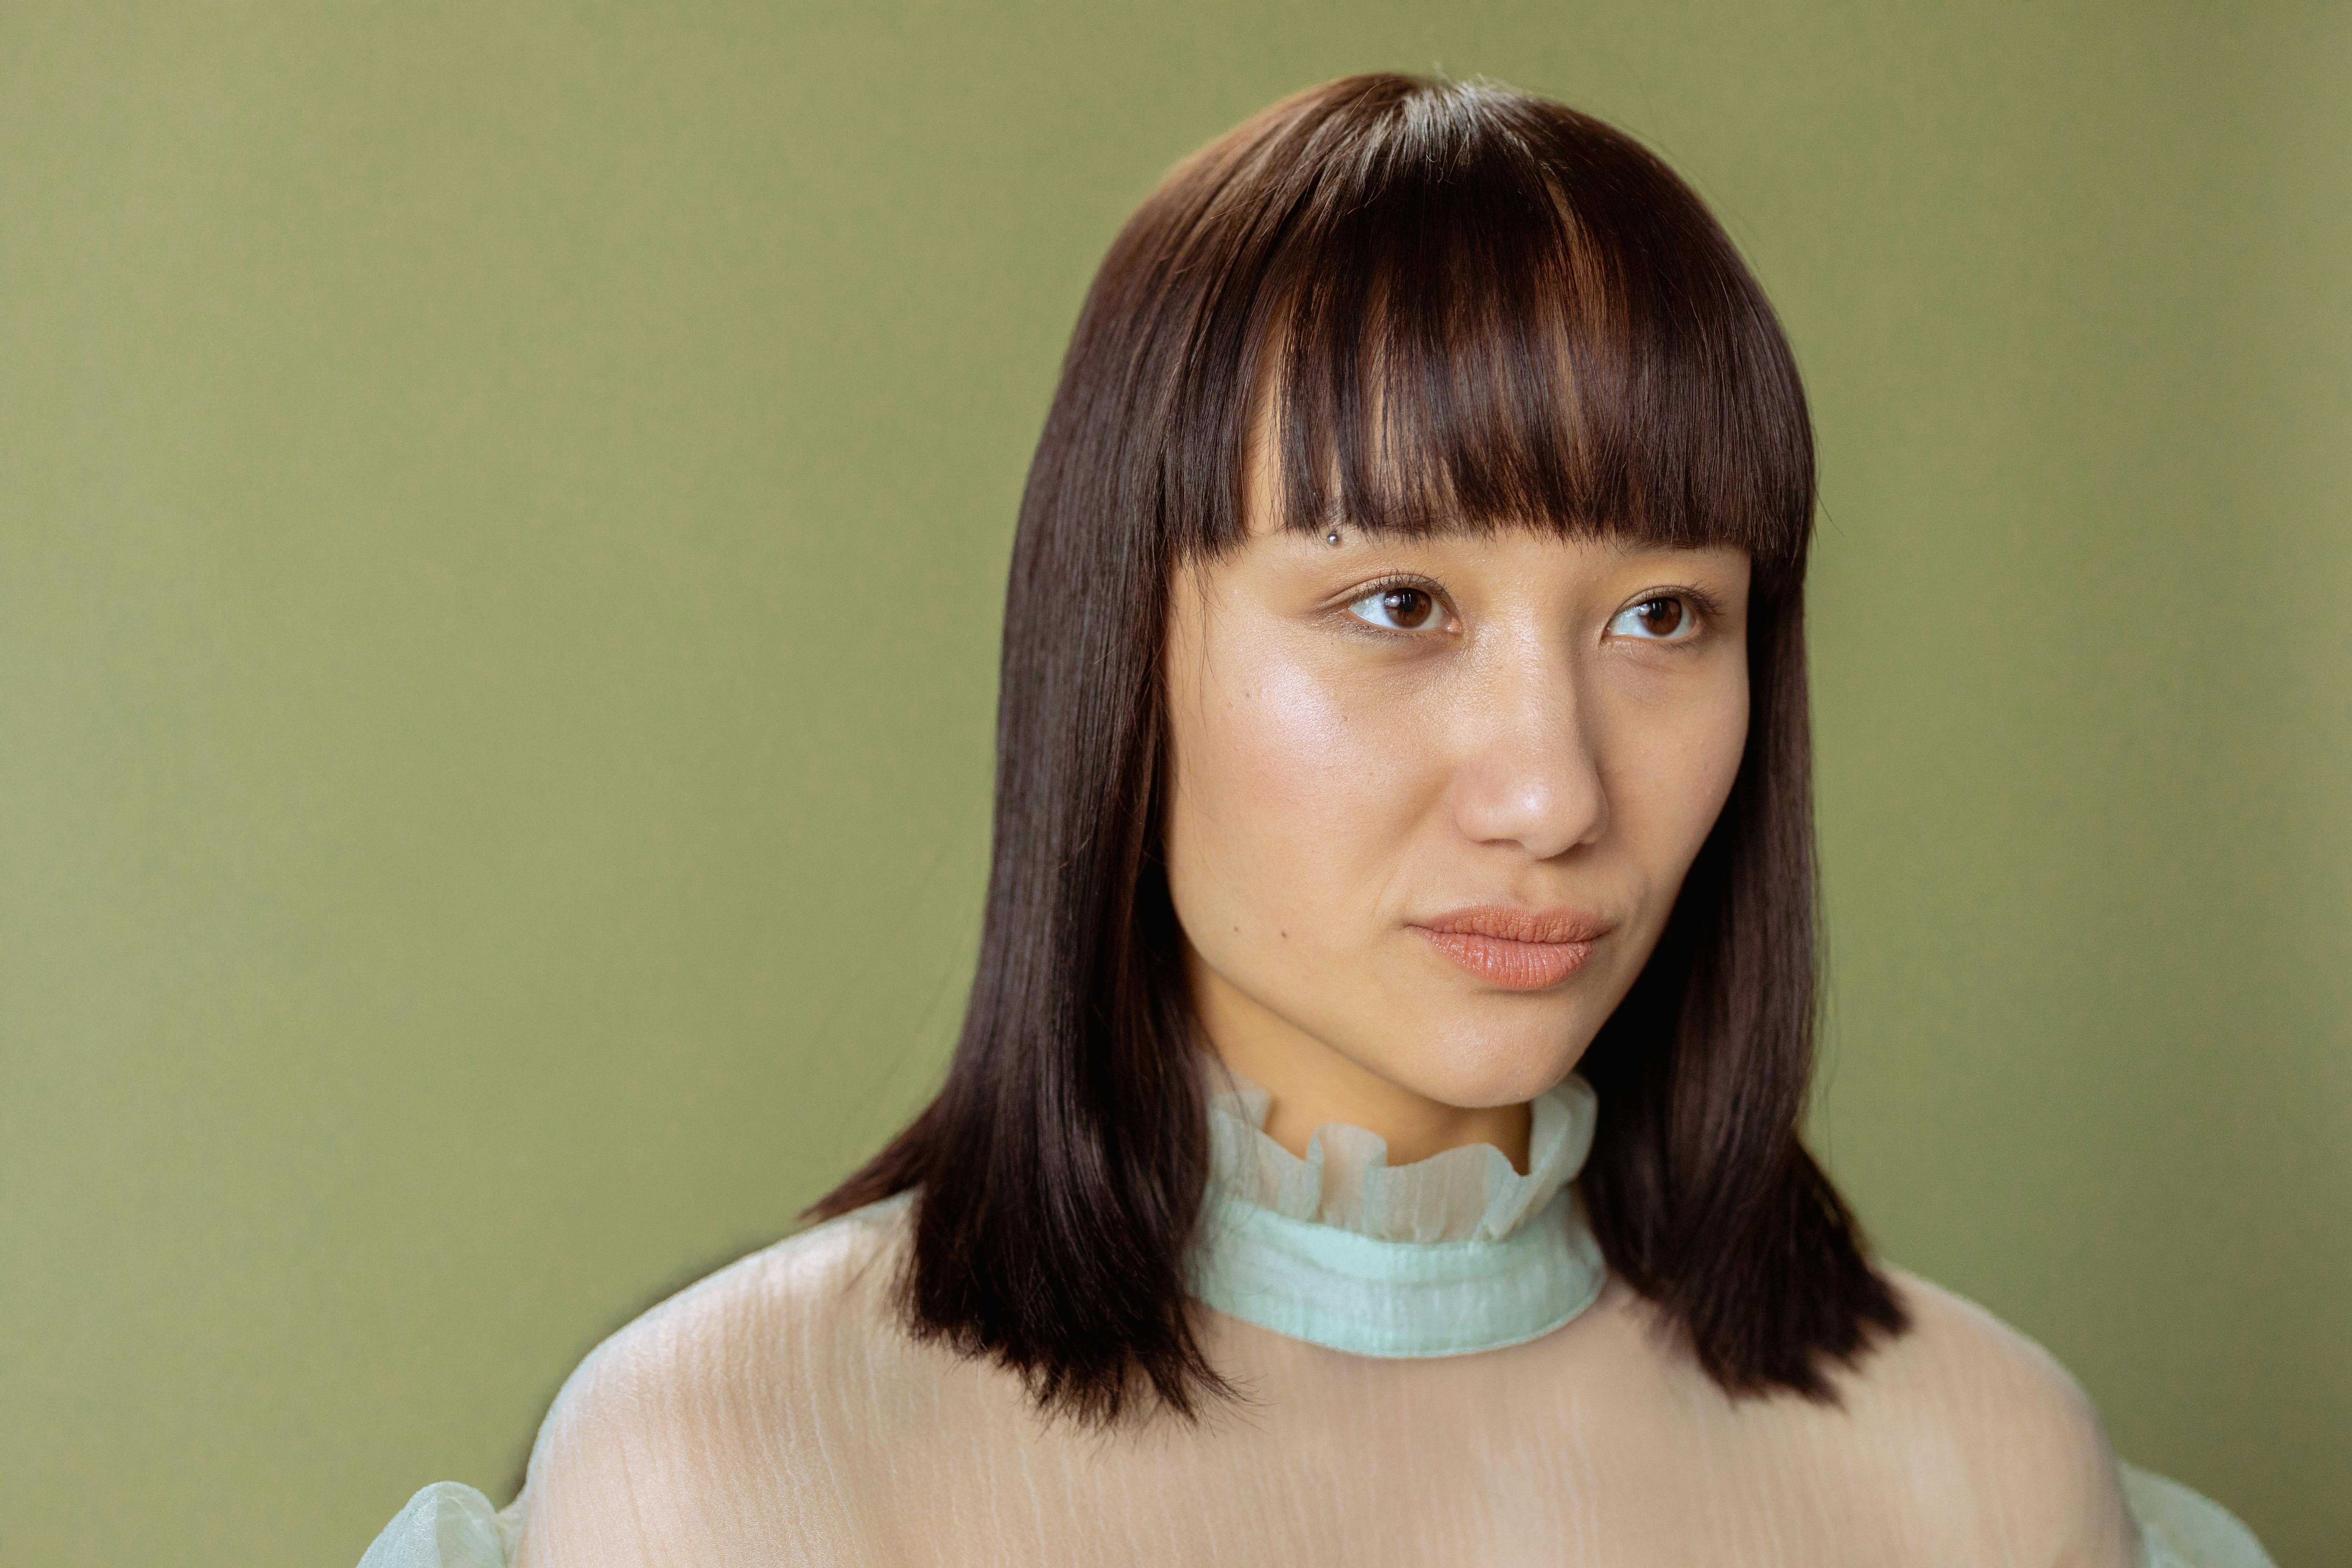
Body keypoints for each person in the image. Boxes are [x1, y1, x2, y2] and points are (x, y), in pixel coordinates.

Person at [359, 74, 2270, 1568]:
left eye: (1661, 616)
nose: (1552, 792)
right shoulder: (728, 1456)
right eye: (1398, 607)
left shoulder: (1985, 1465)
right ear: (1124, 650)